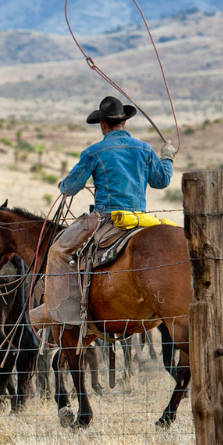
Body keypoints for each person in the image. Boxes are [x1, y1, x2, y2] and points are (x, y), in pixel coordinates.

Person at [32, 95, 176, 327]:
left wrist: (63, 186)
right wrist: (167, 157)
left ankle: (61, 313)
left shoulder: (94, 152)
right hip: (140, 218)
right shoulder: (144, 149)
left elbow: (70, 187)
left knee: (58, 251)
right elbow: (162, 180)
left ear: (103, 124)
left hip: (106, 218)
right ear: (124, 123)